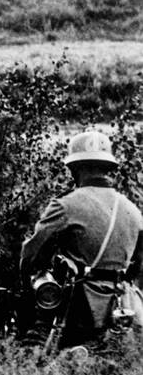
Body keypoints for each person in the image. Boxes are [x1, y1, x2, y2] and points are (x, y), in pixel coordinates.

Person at [18, 131, 143, 352]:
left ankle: (46, 359)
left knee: (36, 334)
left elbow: (31, 253)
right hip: (121, 303)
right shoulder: (133, 211)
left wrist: (29, 280)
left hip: (79, 302)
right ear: (108, 169)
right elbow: (138, 265)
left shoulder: (66, 205)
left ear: (76, 170)